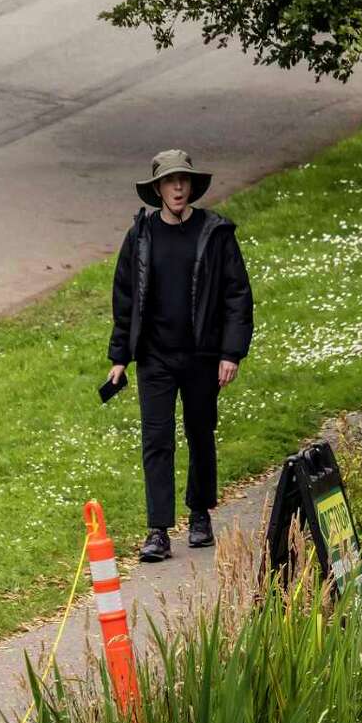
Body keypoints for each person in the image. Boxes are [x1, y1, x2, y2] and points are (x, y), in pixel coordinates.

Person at [105, 149, 254, 562]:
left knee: (200, 433)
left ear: (191, 186)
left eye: (183, 180)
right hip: (155, 358)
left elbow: (237, 296)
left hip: (202, 356)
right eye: (170, 181)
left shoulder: (216, 233)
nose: (177, 187)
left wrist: (231, 353)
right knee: (156, 440)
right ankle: (158, 531)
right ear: (157, 188)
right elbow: (125, 299)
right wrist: (120, 357)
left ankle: (200, 514)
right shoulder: (141, 236)